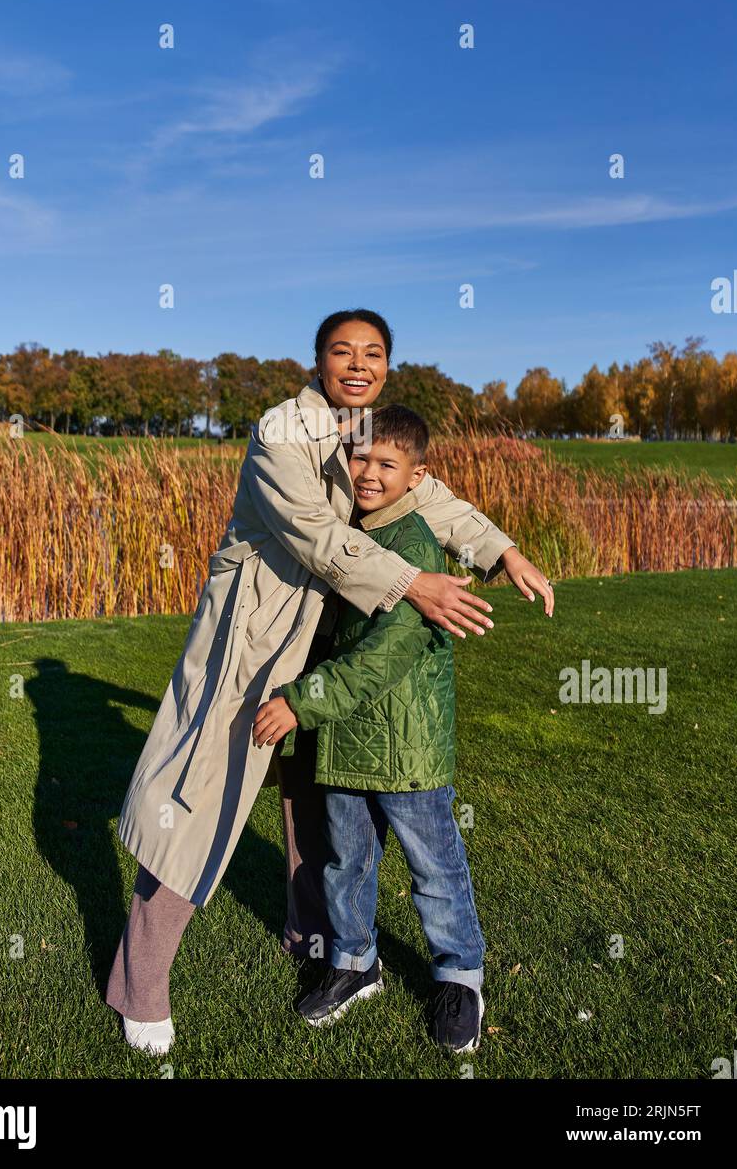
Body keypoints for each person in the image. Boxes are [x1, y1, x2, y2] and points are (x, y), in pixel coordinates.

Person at [106, 309, 553, 1053]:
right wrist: (415, 584)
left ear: (386, 367)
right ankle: (139, 985)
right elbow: (317, 538)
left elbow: (432, 497)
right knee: (196, 805)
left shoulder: (369, 429)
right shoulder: (282, 431)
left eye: (371, 353)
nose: (356, 363)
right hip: (256, 639)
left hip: (327, 644)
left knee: (316, 803)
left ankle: (322, 946)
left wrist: (500, 549)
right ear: (316, 361)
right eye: (341, 351)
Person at [254, 404, 493, 1053]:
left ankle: (459, 980)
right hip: (346, 746)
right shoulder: (352, 534)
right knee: (345, 861)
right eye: (360, 458)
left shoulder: (415, 549)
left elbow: (380, 659)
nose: (368, 473)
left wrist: (298, 704)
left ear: (417, 476)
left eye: (387, 464)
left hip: (405, 751)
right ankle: (354, 962)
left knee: (434, 870)